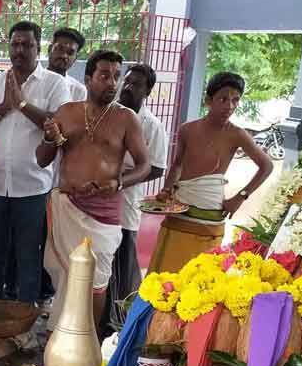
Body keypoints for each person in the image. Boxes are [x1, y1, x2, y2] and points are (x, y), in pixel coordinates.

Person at [38, 49, 151, 328]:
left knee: (97, 281)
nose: (112, 83)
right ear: (88, 79)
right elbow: (41, 159)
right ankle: (61, 337)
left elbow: (145, 165)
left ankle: (89, 340)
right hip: (67, 207)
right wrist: (51, 140)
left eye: (116, 76)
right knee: (65, 275)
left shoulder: (126, 118)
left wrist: (118, 182)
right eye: (104, 76)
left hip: (104, 213)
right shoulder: (67, 112)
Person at [0, 20, 69, 305]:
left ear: (38, 47)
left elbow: (56, 125)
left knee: (28, 253)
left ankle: (25, 319)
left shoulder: (54, 83)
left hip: (32, 185)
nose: (19, 50)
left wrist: (23, 105)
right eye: (15, 44)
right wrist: (3, 107)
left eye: (26, 44)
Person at [150, 71, 273, 273]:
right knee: (164, 276)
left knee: (199, 277)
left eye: (235, 100)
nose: (230, 106)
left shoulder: (237, 134)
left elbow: (266, 166)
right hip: (179, 210)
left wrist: (240, 197)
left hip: (210, 214)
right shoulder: (187, 129)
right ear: (209, 100)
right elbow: (177, 164)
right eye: (223, 99)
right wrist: (166, 189)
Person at [102, 63, 168, 334]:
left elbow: (158, 167)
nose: (127, 87)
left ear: (148, 90)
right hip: (99, 198)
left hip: (127, 201)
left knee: (121, 262)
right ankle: (96, 317)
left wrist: (123, 178)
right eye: (126, 82)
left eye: (136, 84)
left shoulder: (151, 126)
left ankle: (117, 324)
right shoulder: (109, 114)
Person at [47, 27, 86, 102]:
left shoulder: (79, 91)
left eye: (70, 53)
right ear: (49, 49)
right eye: (59, 49)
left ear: (75, 58)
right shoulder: (31, 81)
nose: (64, 56)